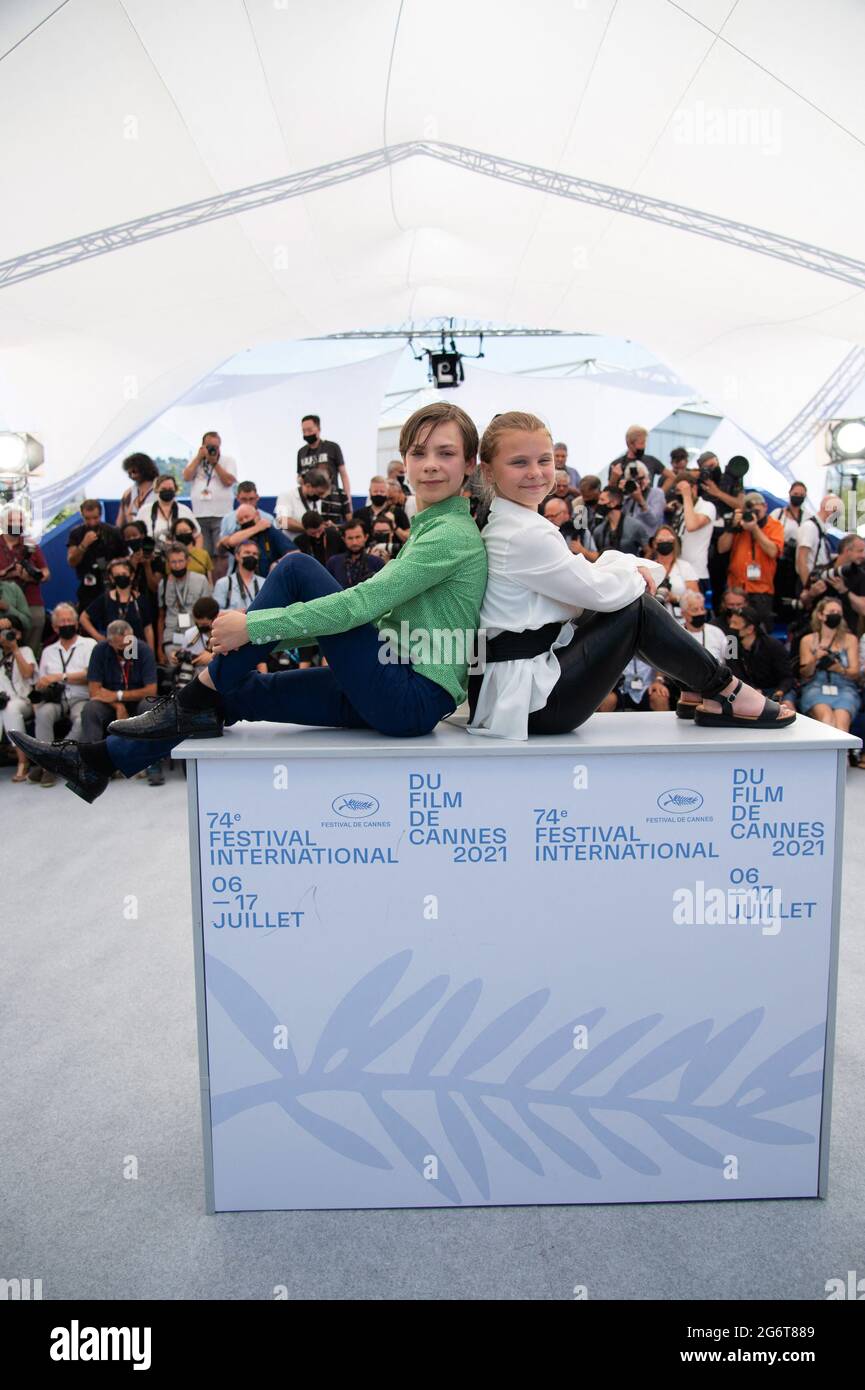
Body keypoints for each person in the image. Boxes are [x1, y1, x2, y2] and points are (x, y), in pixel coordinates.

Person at [12, 402, 489, 802]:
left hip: (409, 696)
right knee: (234, 693)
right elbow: (369, 617)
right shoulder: (430, 526)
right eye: (419, 452)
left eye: (445, 453)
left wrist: (253, 628)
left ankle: (191, 695)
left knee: (296, 568)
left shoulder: (448, 533)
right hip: (389, 681)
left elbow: (359, 606)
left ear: (470, 464)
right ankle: (99, 762)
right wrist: (256, 637)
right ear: (404, 460)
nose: (430, 464)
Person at [464, 411, 796, 741]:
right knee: (636, 610)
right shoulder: (524, 534)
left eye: (544, 460)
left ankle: (701, 688)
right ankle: (724, 689)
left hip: (515, 692)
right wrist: (639, 574)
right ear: (488, 472)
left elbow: (587, 580)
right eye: (519, 462)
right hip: (530, 703)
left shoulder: (511, 524)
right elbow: (600, 592)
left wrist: (631, 572)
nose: (535, 472)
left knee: (629, 601)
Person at [81, 620, 164, 786]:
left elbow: (150, 690)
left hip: (136, 701)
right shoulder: (100, 651)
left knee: (150, 705)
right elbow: (94, 691)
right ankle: (95, 767)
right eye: (121, 647)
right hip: (110, 705)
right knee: (90, 709)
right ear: (110, 643)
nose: (127, 650)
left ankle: (152, 763)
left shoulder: (143, 650)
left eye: (129, 645)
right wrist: (118, 705)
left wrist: (117, 696)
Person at [28, 604, 96, 783]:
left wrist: (61, 676)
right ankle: (48, 764)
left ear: (76, 624)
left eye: (69, 620)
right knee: (42, 714)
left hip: (81, 696)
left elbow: (91, 675)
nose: (66, 624)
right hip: (56, 699)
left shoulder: (89, 645)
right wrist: (43, 686)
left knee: (82, 719)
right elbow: (43, 681)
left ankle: (53, 760)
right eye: (62, 622)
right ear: (55, 627)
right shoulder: (48, 651)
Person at [715, 490, 783, 630]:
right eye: (750, 511)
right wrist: (732, 527)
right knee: (732, 629)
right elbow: (721, 548)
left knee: (759, 631)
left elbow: (773, 551)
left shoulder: (774, 525)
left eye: (756, 511)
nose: (753, 515)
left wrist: (754, 528)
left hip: (761, 590)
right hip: (736, 589)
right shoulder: (740, 524)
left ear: (765, 507)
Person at [797, 597, 860, 732]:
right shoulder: (808, 640)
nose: (835, 615)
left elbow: (855, 673)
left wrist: (840, 669)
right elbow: (805, 674)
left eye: (839, 612)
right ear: (820, 615)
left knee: (841, 725)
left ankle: (844, 747)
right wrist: (815, 659)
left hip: (844, 688)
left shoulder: (850, 639)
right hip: (816, 686)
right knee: (827, 720)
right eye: (832, 611)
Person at [0, 504, 50, 659]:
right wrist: (7, 573)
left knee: (32, 639)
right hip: (4, 602)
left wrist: (29, 576)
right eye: (12, 521)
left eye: (20, 521)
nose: (16, 524)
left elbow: (46, 573)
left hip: (31, 600)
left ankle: (29, 667)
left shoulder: (30, 545)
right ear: (2, 522)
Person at [79, 556, 155, 649]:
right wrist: (99, 637)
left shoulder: (141, 600)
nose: (121, 577)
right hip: (112, 649)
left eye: (124, 574)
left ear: (131, 576)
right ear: (112, 578)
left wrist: (150, 653)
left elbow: (148, 629)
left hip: (136, 649)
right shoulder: (105, 599)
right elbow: (83, 618)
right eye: (117, 575)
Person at [182, 431, 238, 559]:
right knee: (204, 553)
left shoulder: (228, 460)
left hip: (221, 514)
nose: (213, 450)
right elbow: (186, 477)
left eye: (216, 447)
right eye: (209, 447)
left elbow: (228, 481)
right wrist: (198, 458)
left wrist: (214, 463)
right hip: (200, 514)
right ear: (202, 446)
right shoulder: (195, 460)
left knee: (221, 553)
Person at [66, 499, 126, 609]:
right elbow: (72, 562)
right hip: (88, 585)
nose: (92, 522)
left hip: (112, 583)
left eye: (95, 518)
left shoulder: (113, 532)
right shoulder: (76, 534)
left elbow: (125, 559)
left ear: (100, 515)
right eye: (87, 519)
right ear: (82, 516)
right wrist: (83, 545)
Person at [0, 619, 37, 781]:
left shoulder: (25, 651)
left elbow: (28, 674)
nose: (3, 634)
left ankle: (23, 761)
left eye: (8, 630)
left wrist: (14, 649)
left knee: (10, 708)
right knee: (6, 708)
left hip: (24, 702)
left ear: (18, 633)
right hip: (3, 701)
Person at [218, 502, 294, 576]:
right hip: (243, 579)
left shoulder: (269, 531)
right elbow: (231, 542)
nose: (244, 521)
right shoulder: (240, 533)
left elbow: (293, 552)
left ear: (257, 515)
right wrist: (257, 528)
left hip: (268, 577)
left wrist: (277, 563)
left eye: (247, 517)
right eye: (240, 520)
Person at [297, 415, 352, 505]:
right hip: (309, 500)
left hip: (331, 499)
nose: (306, 434)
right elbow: (299, 476)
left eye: (309, 430)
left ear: (318, 429)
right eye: (304, 431)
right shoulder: (301, 452)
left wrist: (348, 500)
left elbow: (343, 474)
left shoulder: (332, 447)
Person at [275, 469, 348, 534]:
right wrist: (310, 529)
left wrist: (323, 525)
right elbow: (282, 522)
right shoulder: (285, 496)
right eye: (320, 493)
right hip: (291, 543)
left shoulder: (316, 499)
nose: (322, 497)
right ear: (308, 486)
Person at [646, 526, 700, 611]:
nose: (665, 542)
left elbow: (696, 599)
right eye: (661, 540)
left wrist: (675, 598)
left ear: (674, 543)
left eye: (669, 540)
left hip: (680, 615)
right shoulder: (647, 567)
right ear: (654, 543)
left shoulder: (685, 567)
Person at [138, 474, 200, 545]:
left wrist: (195, 551)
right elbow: (137, 533)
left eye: (170, 489)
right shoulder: (144, 510)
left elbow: (197, 535)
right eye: (163, 489)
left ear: (175, 490)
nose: (167, 491)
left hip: (180, 551)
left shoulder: (185, 510)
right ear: (156, 489)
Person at [591, 485, 646, 557]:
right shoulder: (598, 530)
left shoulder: (635, 526)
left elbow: (649, 551)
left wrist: (639, 563)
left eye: (602, 500)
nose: (599, 503)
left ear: (613, 503)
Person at [326, 521, 385, 589]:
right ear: (344, 539)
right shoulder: (333, 562)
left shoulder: (377, 562)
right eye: (350, 538)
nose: (354, 542)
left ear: (365, 537)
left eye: (358, 537)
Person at [213, 539, 266, 611]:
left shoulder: (264, 583)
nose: (251, 556)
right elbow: (216, 612)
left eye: (255, 554)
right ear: (237, 556)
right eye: (247, 553)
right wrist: (234, 613)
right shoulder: (223, 583)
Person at [116, 453, 159, 529]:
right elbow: (120, 521)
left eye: (134, 471)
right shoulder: (128, 493)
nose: (132, 476)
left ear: (144, 469)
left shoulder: (160, 490)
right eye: (129, 473)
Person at [172, 516, 214, 582]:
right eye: (179, 532)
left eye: (186, 531)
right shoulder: (171, 555)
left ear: (193, 531)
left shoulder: (203, 554)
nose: (183, 534)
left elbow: (209, 580)